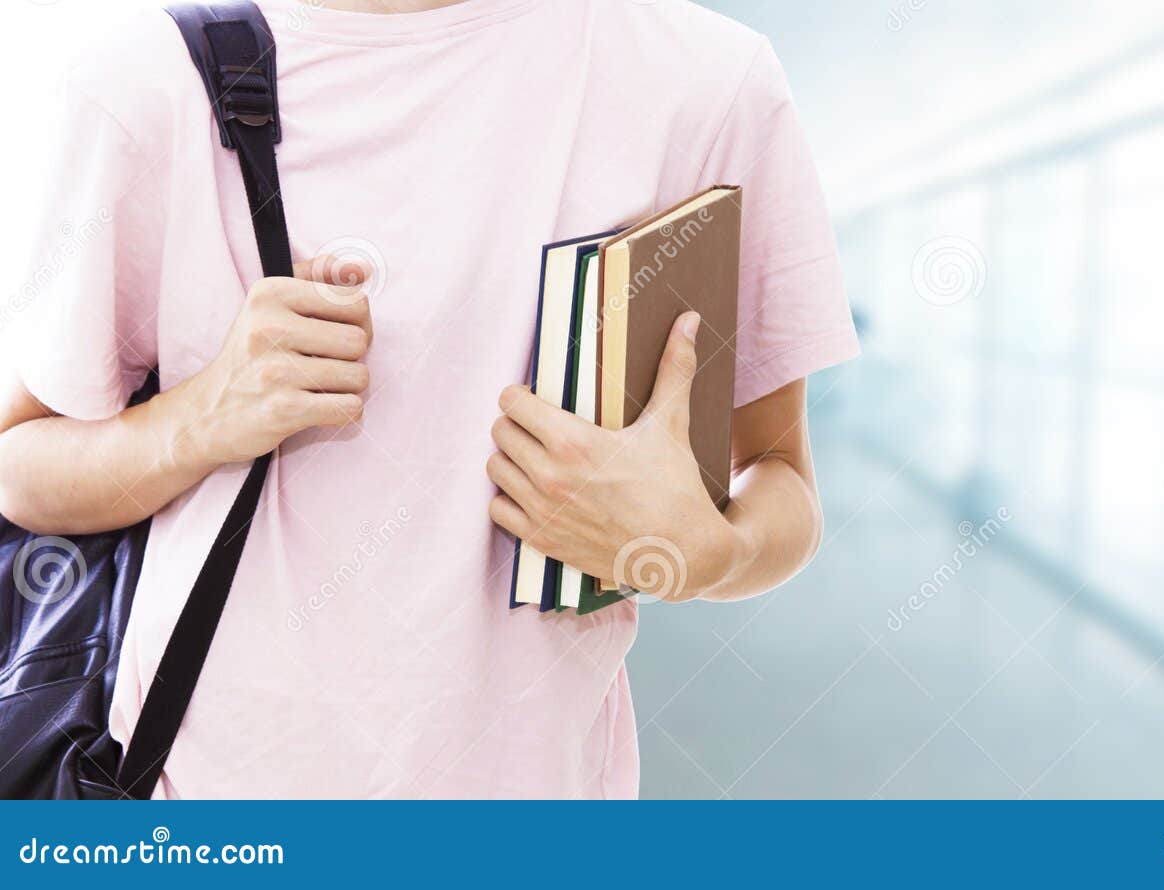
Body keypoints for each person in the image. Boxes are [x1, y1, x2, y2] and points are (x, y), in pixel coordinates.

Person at [0, 0, 857, 798]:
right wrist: (194, 421)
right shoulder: (144, 77)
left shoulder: (703, 84)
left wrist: (703, 550)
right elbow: (21, 467)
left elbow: (780, 476)